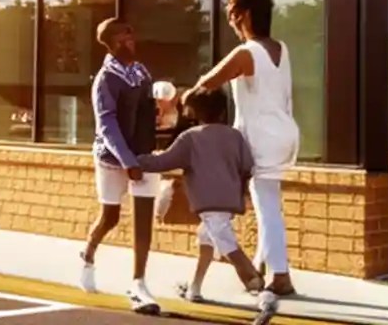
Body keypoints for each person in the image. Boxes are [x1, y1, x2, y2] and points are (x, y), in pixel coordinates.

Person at [186, 0, 299, 297]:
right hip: (284, 133)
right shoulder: (280, 48)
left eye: (233, 14)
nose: (232, 22)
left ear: (245, 14)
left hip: (261, 137)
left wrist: (186, 98)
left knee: (265, 207)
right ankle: (262, 265)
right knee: (267, 203)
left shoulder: (246, 52)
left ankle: (281, 275)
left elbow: (207, 83)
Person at [137, 88, 277, 319]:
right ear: (223, 112)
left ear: (195, 112)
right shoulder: (235, 136)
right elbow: (247, 165)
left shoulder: (190, 137)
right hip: (229, 198)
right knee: (206, 236)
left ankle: (256, 285)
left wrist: (136, 160)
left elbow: (164, 161)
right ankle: (195, 288)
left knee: (223, 238)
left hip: (207, 199)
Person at [80, 17, 160, 315]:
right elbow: (107, 125)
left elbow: (148, 111)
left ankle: (138, 283)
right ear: (113, 42)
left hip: (143, 155)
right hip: (113, 159)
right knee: (110, 216)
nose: (132, 38)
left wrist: (164, 112)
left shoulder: (142, 73)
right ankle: (88, 252)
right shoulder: (105, 79)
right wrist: (127, 161)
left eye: (132, 33)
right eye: (127, 35)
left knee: (143, 218)